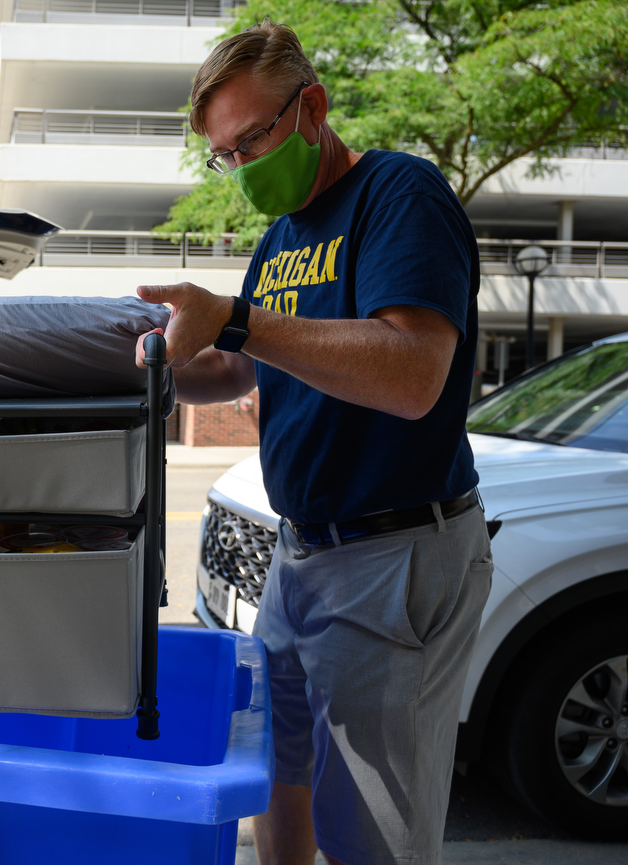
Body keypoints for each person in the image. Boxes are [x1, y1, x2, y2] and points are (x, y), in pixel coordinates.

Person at [136, 20, 492, 865]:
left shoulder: (398, 195)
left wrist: (244, 320)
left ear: (314, 108)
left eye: (253, 137)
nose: (245, 164)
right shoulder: (284, 236)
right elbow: (236, 368)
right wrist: (153, 367)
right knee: (275, 783)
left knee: (369, 836)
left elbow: (413, 373)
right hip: (296, 555)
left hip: (392, 550)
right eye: (227, 153)